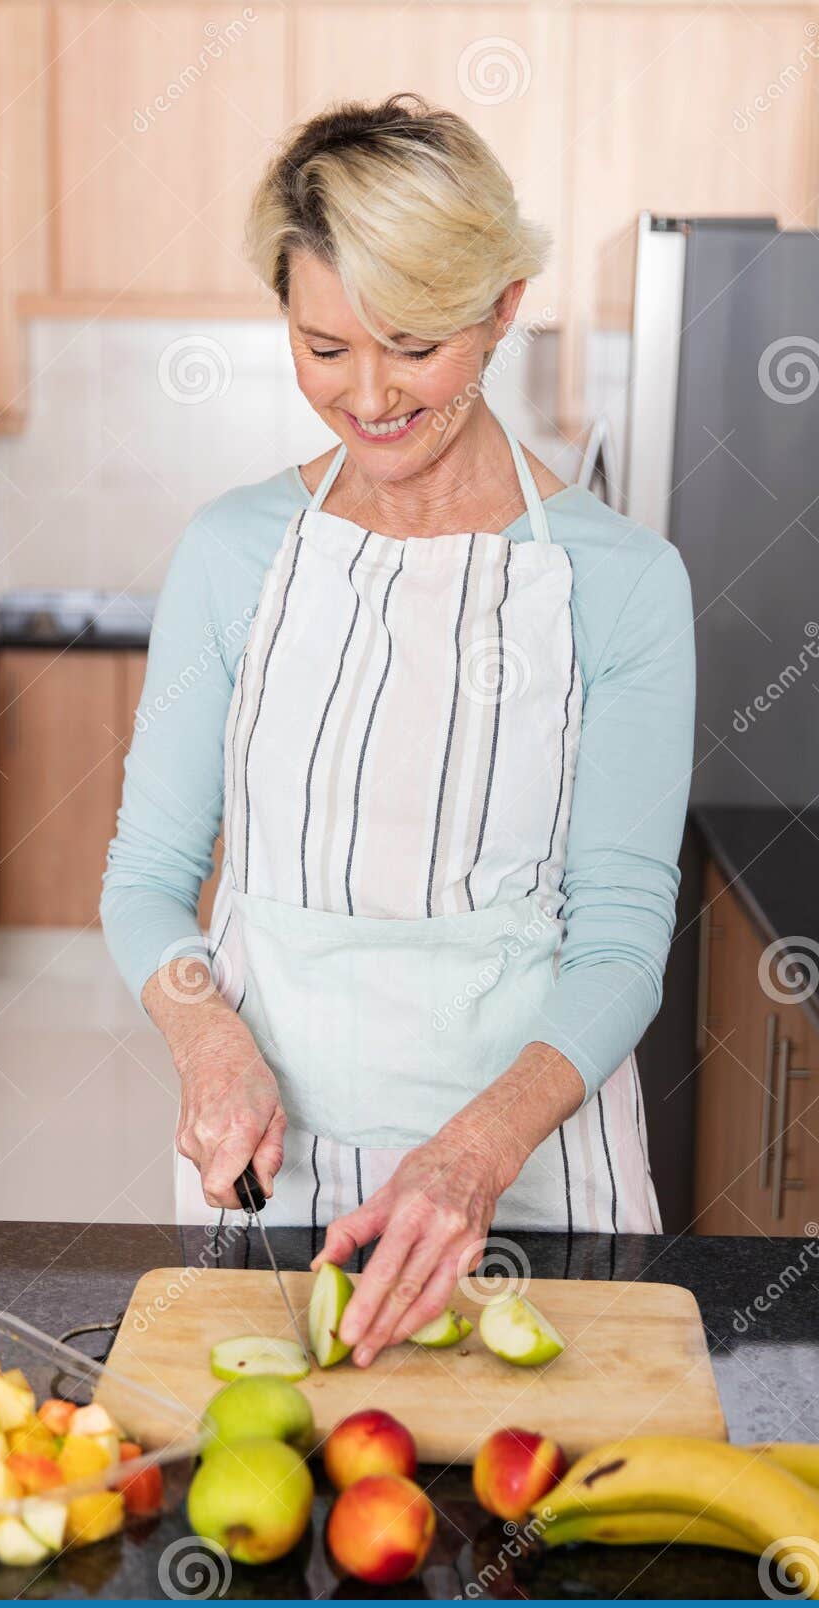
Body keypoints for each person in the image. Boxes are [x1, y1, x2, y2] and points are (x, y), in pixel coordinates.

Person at [102, 95, 695, 1366]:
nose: (365, 397)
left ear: (501, 307)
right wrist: (207, 1038)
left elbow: (622, 942)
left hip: (538, 1182)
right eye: (322, 348)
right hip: (273, 1182)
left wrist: (474, 1156)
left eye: (411, 344)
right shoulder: (228, 553)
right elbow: (147, 881)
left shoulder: (624, 580)